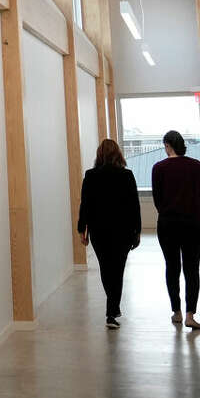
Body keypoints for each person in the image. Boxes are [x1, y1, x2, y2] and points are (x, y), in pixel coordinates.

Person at [76, 138, 141, 328]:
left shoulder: (91, 175)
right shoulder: (127, 175)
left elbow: (85, 205)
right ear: (118, 154)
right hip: (123, 231)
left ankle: (111, 310)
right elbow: (134, 205)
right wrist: (137, 231)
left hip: (99, 231)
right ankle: (112, 310)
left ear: (99, 155)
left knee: (106, 268)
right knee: (118, 269)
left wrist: (82, 229)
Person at [151, 129, 200, 330]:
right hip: (192, 224)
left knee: (172, 267)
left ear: (167, 145)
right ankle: (191, 314)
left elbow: (157, 199)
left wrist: (168, 211)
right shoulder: (196, 166)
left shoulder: (158, 168)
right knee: (192, 269)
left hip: (168, 225)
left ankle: (176, 311)